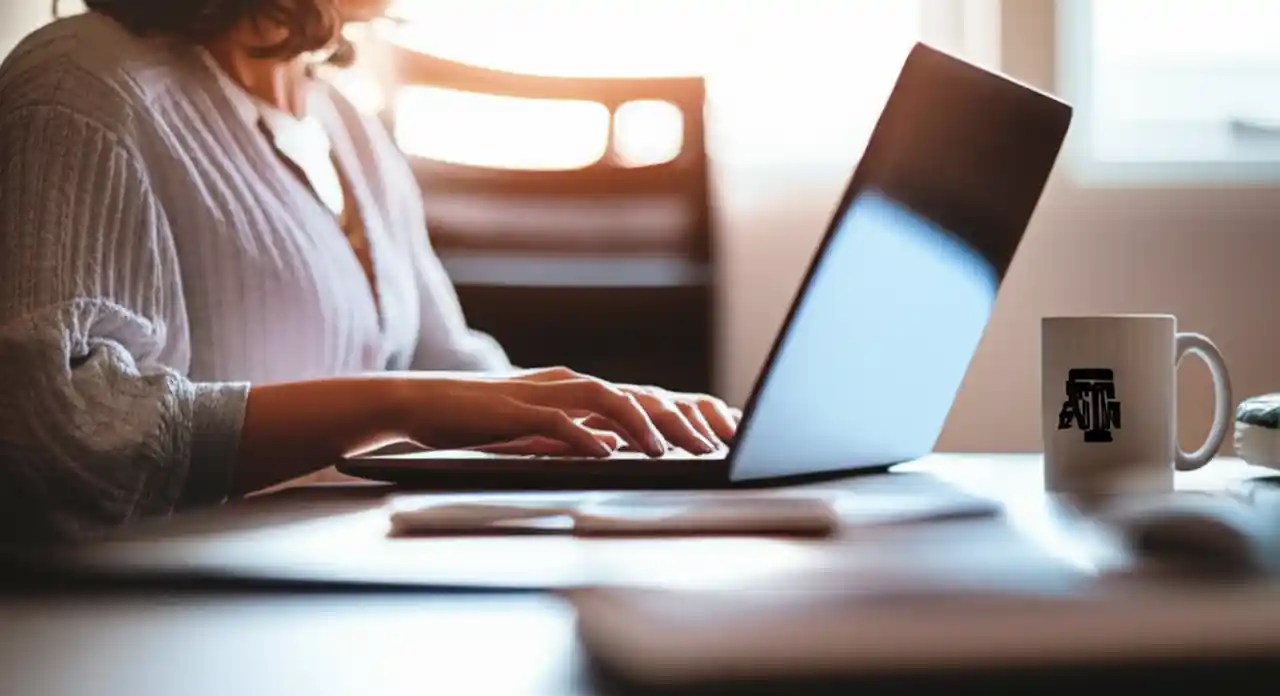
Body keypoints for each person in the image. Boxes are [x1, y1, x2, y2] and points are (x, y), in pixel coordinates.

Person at [0, 0, 739, 542]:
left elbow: (444, 368)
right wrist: (394, 406)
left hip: (317, 578)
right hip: (144, 623)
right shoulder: (82, 88)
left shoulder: (345, 125)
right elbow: (59, 436)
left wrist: (619, 421)